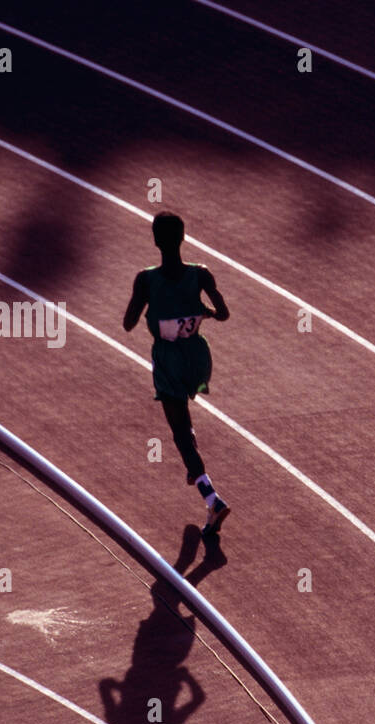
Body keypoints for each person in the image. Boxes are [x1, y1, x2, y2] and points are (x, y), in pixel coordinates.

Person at [123, 212, 232, 538]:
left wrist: (151, 309)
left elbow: (128, 323)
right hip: (198, 357)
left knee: (180, 433)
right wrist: (204, 312)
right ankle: (192, 459)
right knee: (184, 424)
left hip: (169, 359)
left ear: (156, 240)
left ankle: (212, 499)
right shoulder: (201, 274)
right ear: (183, 238)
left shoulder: (146, 279)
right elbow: (224, 313)